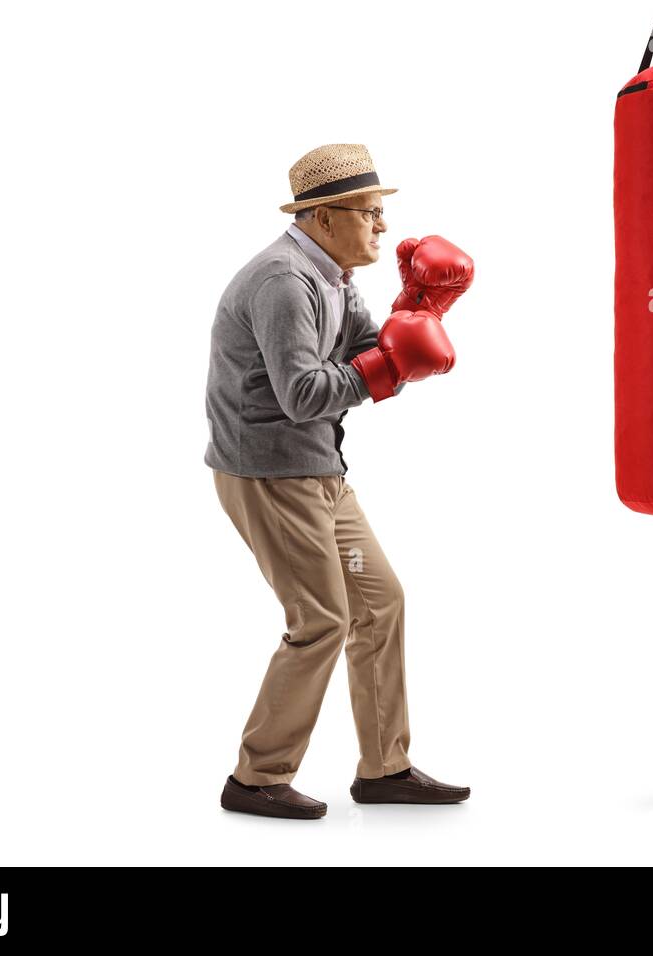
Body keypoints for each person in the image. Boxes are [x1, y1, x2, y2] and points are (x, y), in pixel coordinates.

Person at [203, 143, 474, 819]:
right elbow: (303, 392)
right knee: (321, 618)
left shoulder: (333, 277)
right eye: (370, 213)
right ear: (324, 217)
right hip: (270, 473)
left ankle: (385, 768)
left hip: (320, 470)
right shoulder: (283, 282)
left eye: (383, 214)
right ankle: (256, 777)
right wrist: (389, 364)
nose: (383, 226)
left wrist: (419, 312)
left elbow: (370, 357)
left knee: (379, 600)